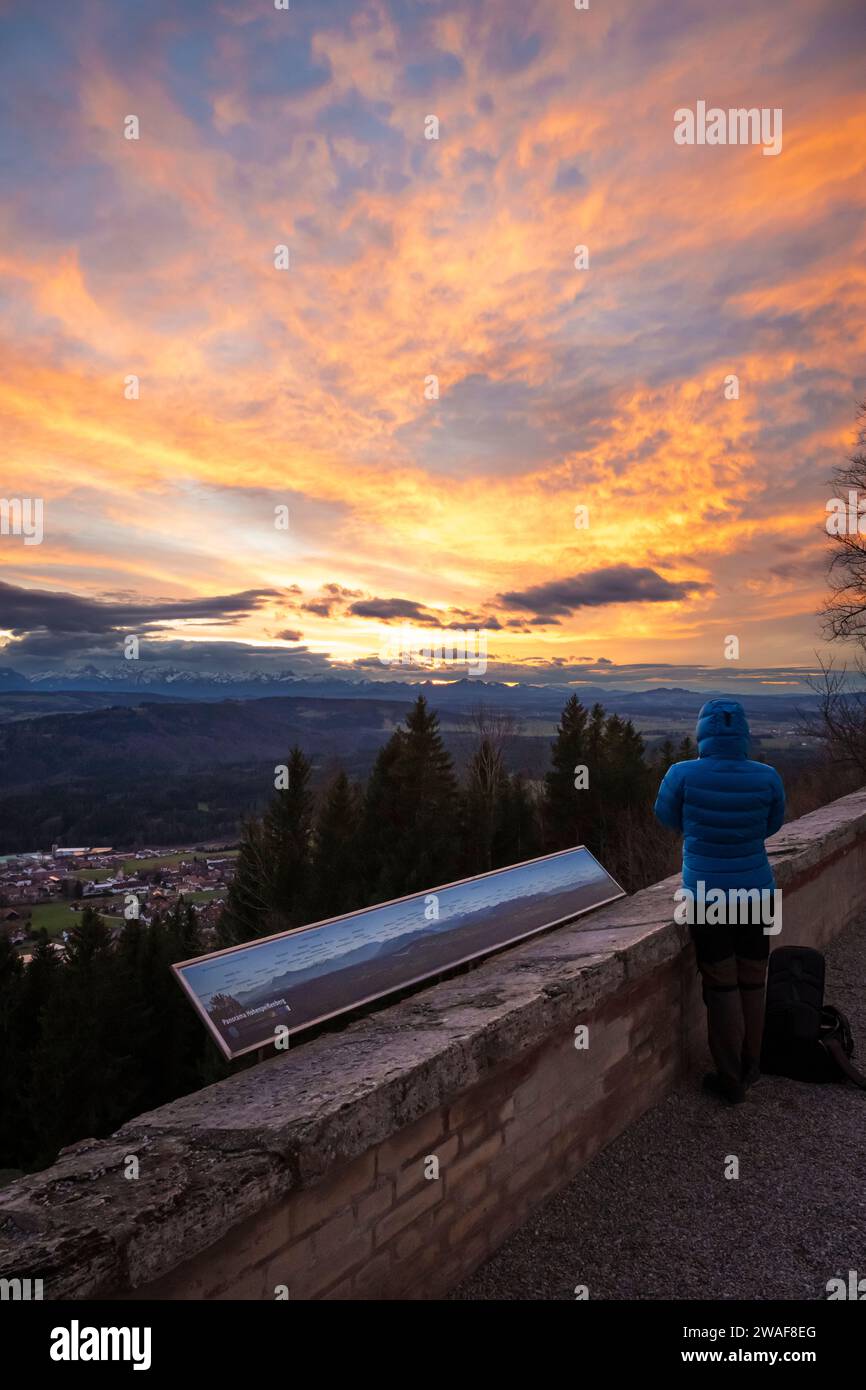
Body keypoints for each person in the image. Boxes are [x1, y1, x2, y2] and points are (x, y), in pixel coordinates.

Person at [653, 698, 785, 1104]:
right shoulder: (767, 776)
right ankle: (753, 1064)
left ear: (703, 732)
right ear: (743, 732)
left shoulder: (682, 774)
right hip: (758, 893)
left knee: (722, 984)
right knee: (753, 979)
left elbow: (665, 817)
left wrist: (698, 830)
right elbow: (772, 825)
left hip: (707, 895)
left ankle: (729, 1078)